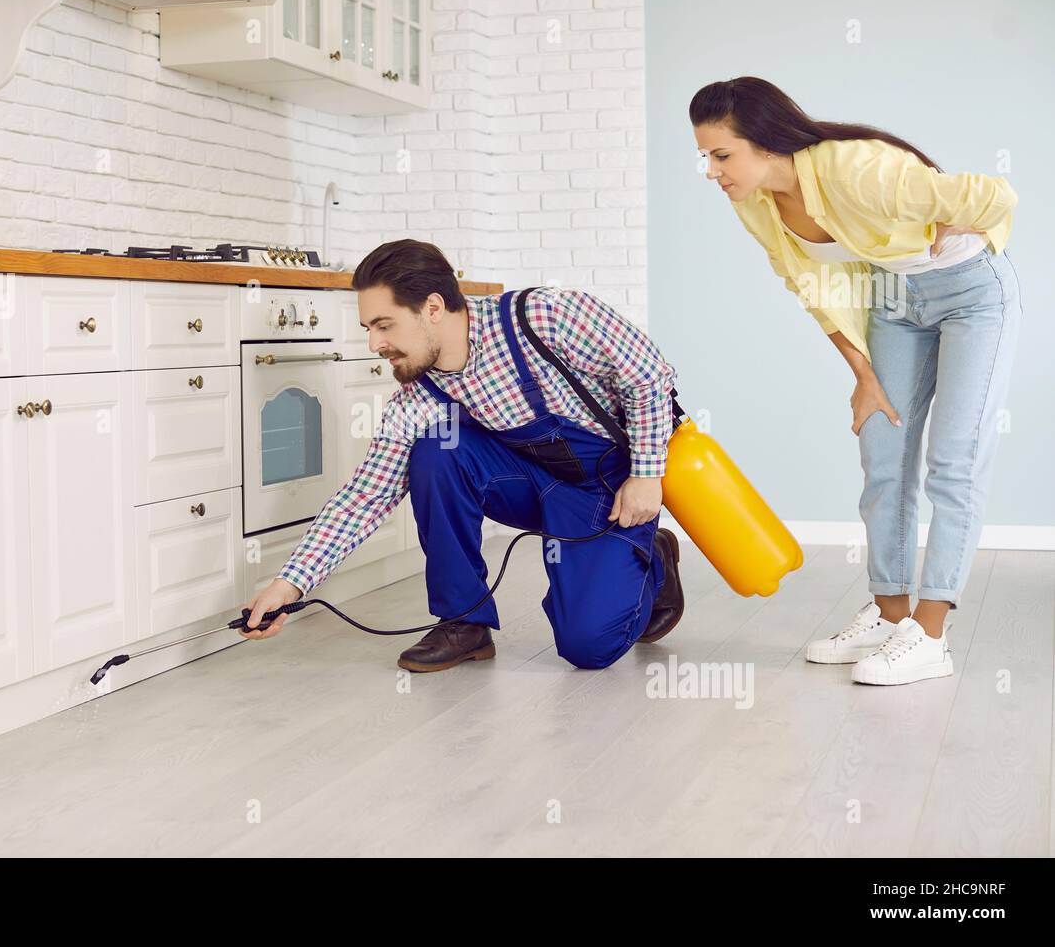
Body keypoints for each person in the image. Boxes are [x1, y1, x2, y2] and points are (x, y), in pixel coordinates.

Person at [691, 77, 1021, 686]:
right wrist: (862, 372)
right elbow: (806, 285)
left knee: (953, 459)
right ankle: (892, 614)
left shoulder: (854, 166)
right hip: (894, 302)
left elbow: (995, 194)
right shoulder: (755, 202)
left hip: (973, 295)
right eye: (704, 157)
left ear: (764, 142)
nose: (711, 171)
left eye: (721, 154)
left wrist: (958, 216)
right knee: (883, 452)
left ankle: (930, 633)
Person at [240, 239, 687, 672]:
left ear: (433, 307)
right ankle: (464, 622)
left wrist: (647, 475)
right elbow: (367, 494)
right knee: (437, 451)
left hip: (608, 491)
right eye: (368, 329)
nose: (374, 346)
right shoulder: (419, 396)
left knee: (589, 648)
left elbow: (648, 375)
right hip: (531, 484)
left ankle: (655, 564)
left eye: (384, 324)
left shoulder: (545, 318)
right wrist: (289, 584)